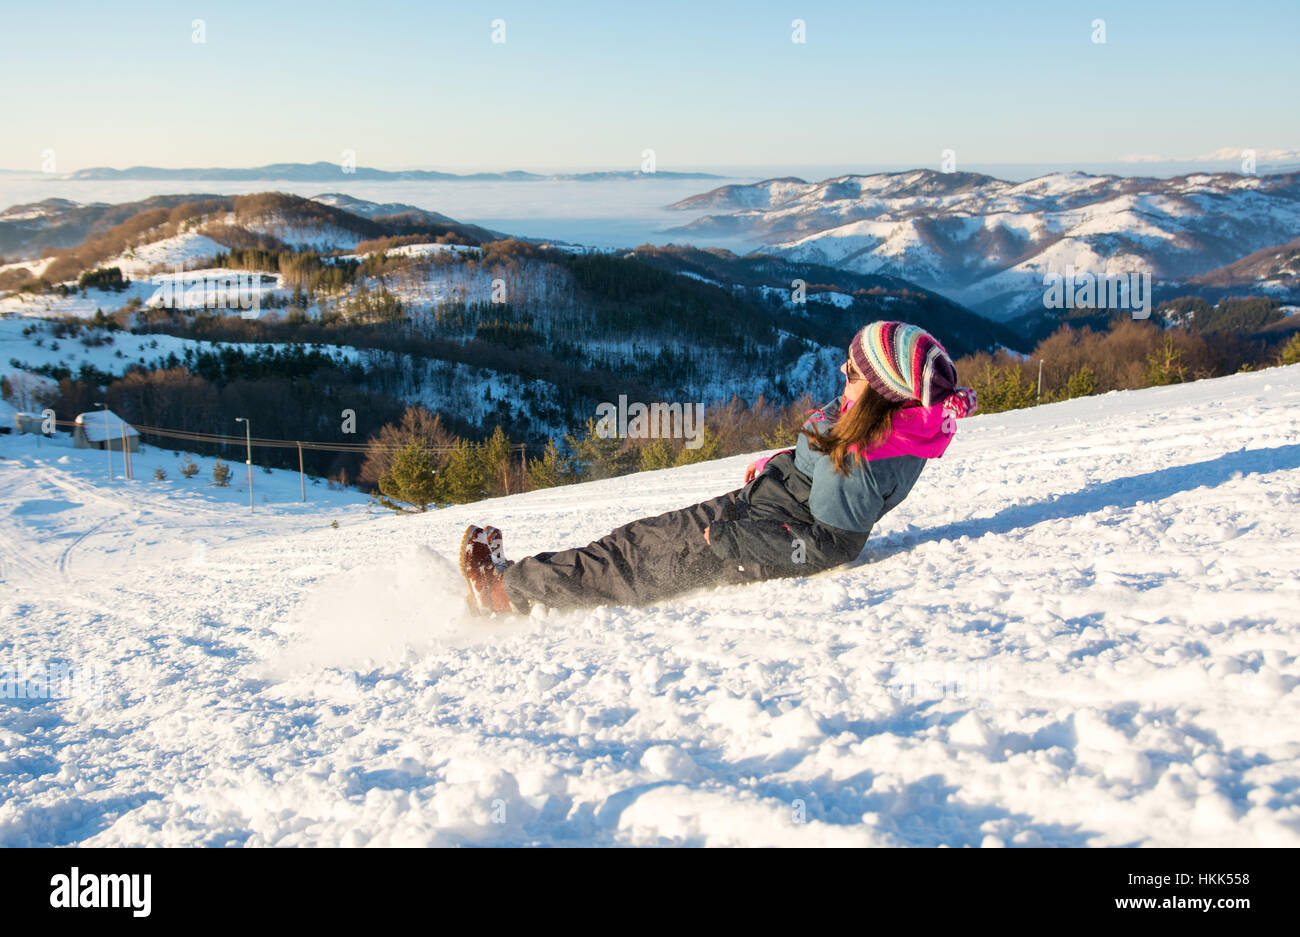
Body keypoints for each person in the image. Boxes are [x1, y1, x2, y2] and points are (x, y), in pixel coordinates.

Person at [457, 321, 977, 615]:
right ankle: (517, 584)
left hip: (744, 539)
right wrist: (780, 463)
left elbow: (830, 545)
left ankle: (504, 594)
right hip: (756, 513)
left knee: (625, 564)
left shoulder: (862, 458)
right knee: (630, 541)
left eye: (853, 372)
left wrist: (732, 541)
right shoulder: (894, 425)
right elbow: (817, 473)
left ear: (882, 394)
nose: (842, 372)